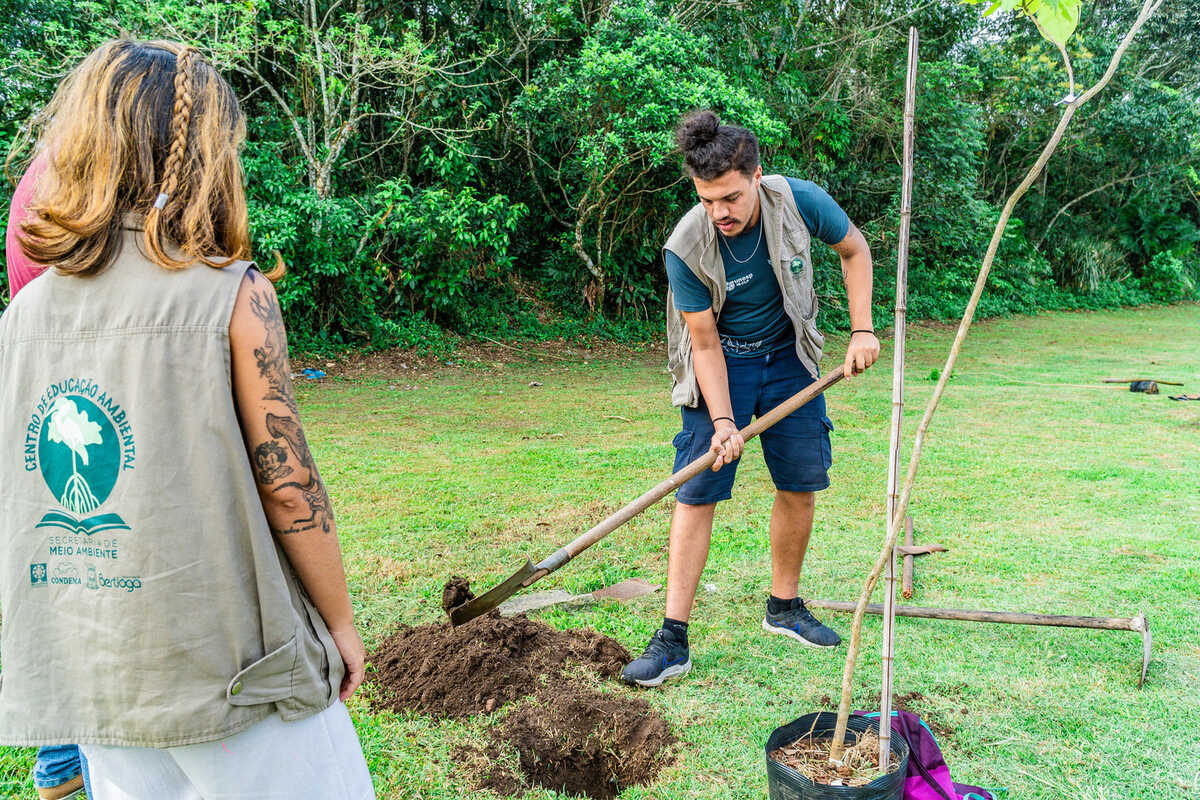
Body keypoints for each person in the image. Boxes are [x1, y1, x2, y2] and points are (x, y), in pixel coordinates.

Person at [0, 40, 374, 799]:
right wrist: (340, 625)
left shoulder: (25, 312)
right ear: (201, 154)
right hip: (237, 676)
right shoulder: (233, 294)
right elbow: (289, 488)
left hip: (100, 679)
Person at [621, 110, 880, 687]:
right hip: (722, 364)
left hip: (790, 356)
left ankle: (784, 607)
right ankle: (672, 639)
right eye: (708, 200)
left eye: (731, 198)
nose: (720, 213)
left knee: (801, 481)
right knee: (698, 490)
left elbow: (855, 251)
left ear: (756, 176)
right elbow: (704, 345)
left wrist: (861, 329)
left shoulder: (799, 201)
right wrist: (721, 421)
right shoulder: (685, 247)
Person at [5, 151, 91, 800]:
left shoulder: (43, 176)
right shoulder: (92, 179)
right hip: (82, 384)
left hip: (42, 389)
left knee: (60, 571)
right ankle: (68, 763)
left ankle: (59, 765)